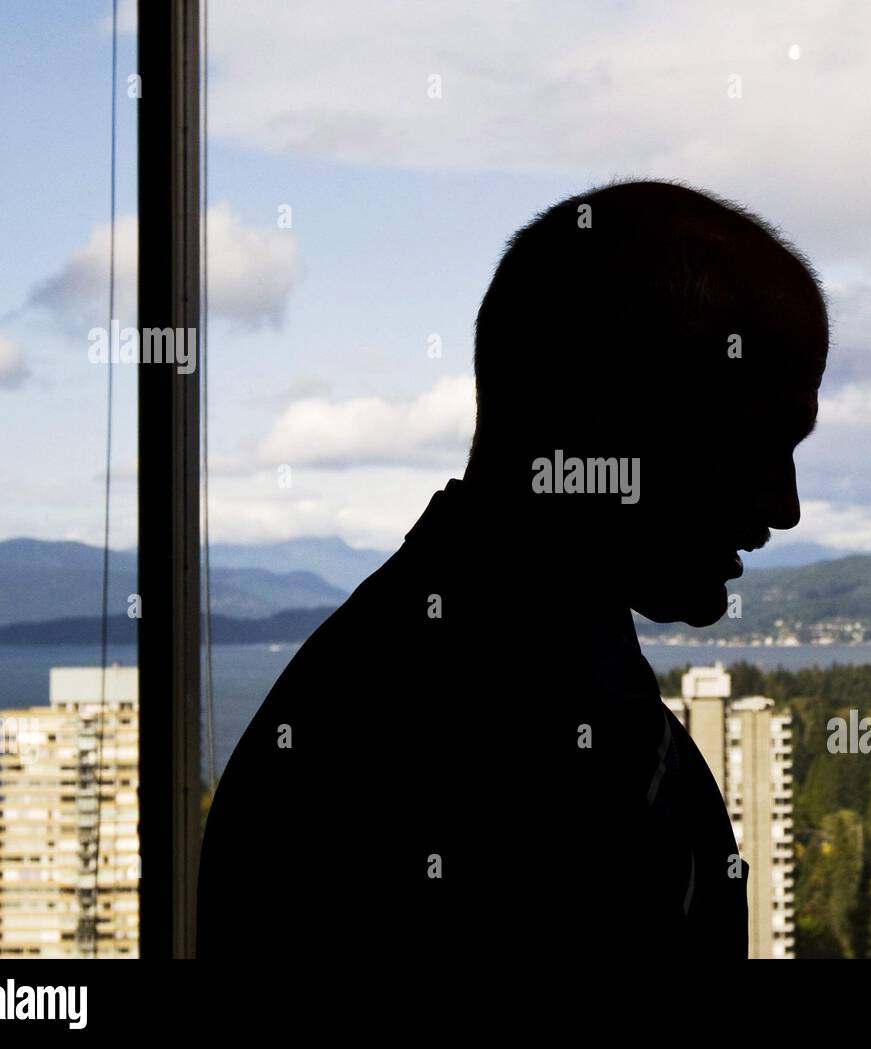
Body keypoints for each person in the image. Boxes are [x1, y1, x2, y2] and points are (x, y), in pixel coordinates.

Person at [197, 180, 829, 960]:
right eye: (761, 435)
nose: (786, 503)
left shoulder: (396, 687)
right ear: (616, 406)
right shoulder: (521, 756)